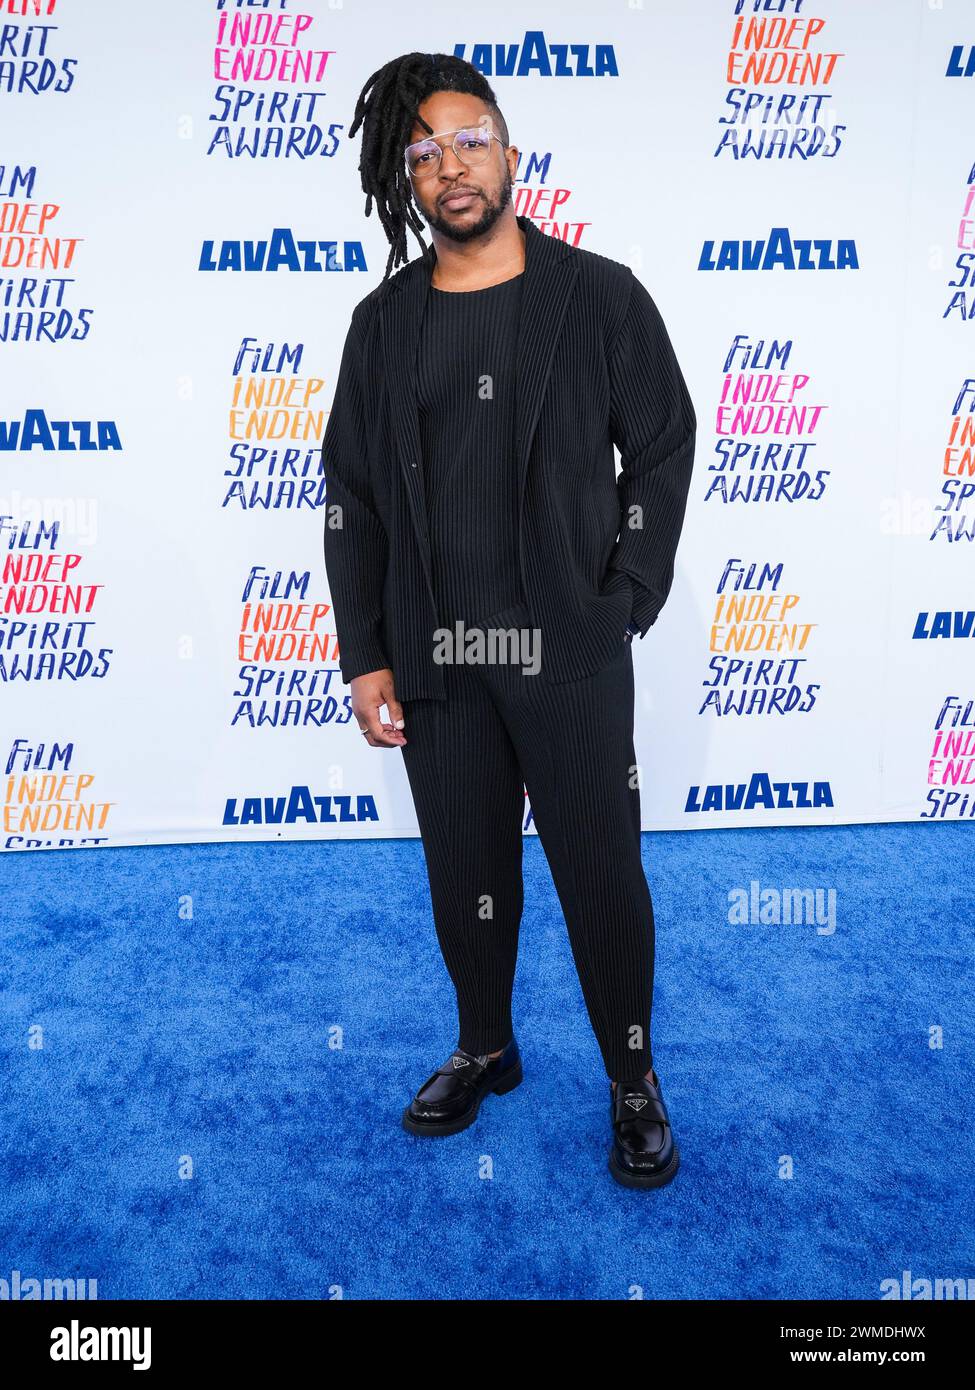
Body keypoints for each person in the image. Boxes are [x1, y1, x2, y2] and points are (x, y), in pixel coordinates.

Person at [321, 52, 696, 1188]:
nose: (450, 164)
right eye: (422, 152)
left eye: (469, 138)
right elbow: (353, 497)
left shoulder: (599, 296)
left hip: (565, 649)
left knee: (600, 872)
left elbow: (666, 445)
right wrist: (366, 652)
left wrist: (622, 597)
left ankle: (632, 1077)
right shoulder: (381, 325)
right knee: (464, 869)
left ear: (512, 152)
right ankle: (486, 1044)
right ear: (406, 181)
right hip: (439, 657)